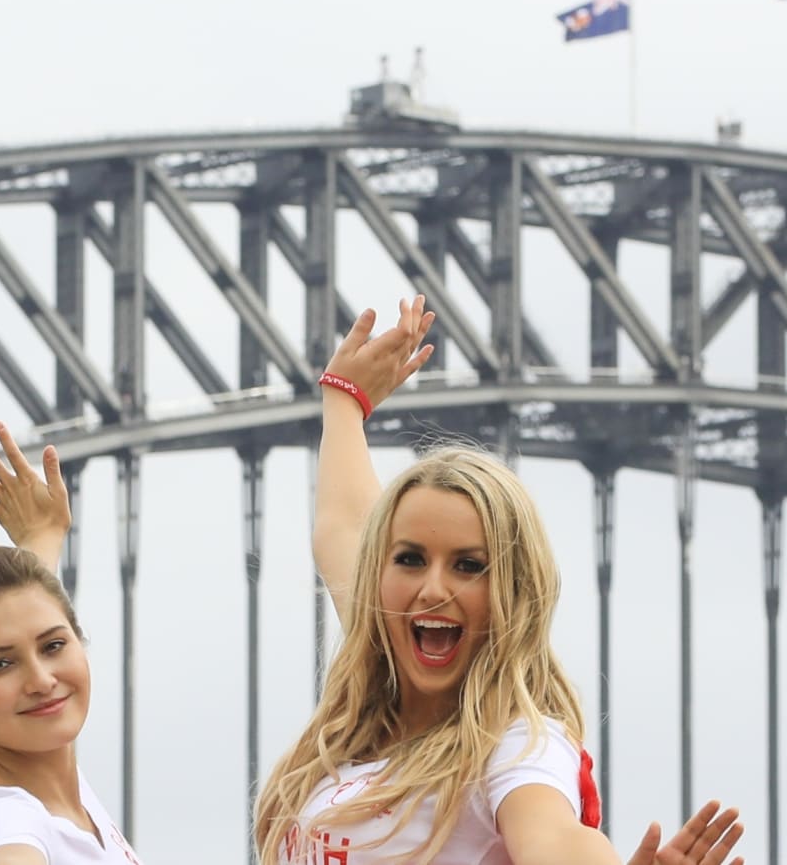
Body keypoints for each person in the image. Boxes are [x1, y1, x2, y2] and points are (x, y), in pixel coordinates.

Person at [250, 299, 750, 865]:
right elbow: (343, 527)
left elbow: (556, 843)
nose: (432, 589)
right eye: (410, 559)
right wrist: (344, 399)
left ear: (515, 595)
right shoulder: (369, 715)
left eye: (469, 566)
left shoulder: (513, 748)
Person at [0, 424, 144, 864]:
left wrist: (43, 535)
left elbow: (26, 612)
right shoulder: (4, 827)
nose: (41, 680)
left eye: (54, 646)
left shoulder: (45, 788)